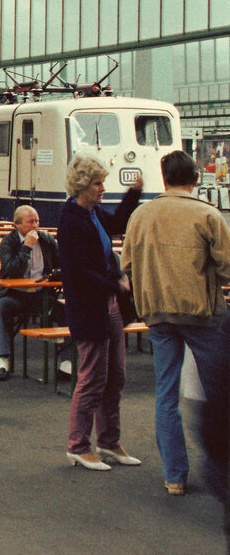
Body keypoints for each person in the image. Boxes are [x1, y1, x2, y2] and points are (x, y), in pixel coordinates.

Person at [122, 150, 230, 497]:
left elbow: (126, 265)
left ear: (164, 178)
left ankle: (175, 476)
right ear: (195, 179)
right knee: (220, 394)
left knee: (165, 394)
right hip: (202, 314)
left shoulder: (141, 215)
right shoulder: (206, 214)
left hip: (156, 313)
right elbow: (227, 267)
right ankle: (222, 468)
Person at [57, 155, 143, 471]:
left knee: (115, 376)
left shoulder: (92, 213)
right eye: (97, 183)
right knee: (92, 377)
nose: (102, 188)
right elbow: (77, 272)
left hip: (107, 304)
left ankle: (109, 441)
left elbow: (118, 224)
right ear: (82, 186)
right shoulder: (72, 219)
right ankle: (78, 445)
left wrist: (133, 193)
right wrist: (115, 283)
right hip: (89, 307)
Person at [0, 205, 60, 381]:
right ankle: (3, 361)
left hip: (41, 295)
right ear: (17, 225)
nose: (35, 226)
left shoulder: (46, 239)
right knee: (1, 308)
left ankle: (66, 364)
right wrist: (26, 248)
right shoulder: (8, 243)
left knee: (71, 315)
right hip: (14, 295)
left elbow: (61, 262)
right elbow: (12, 271)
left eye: (37, 221)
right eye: (30, 222)